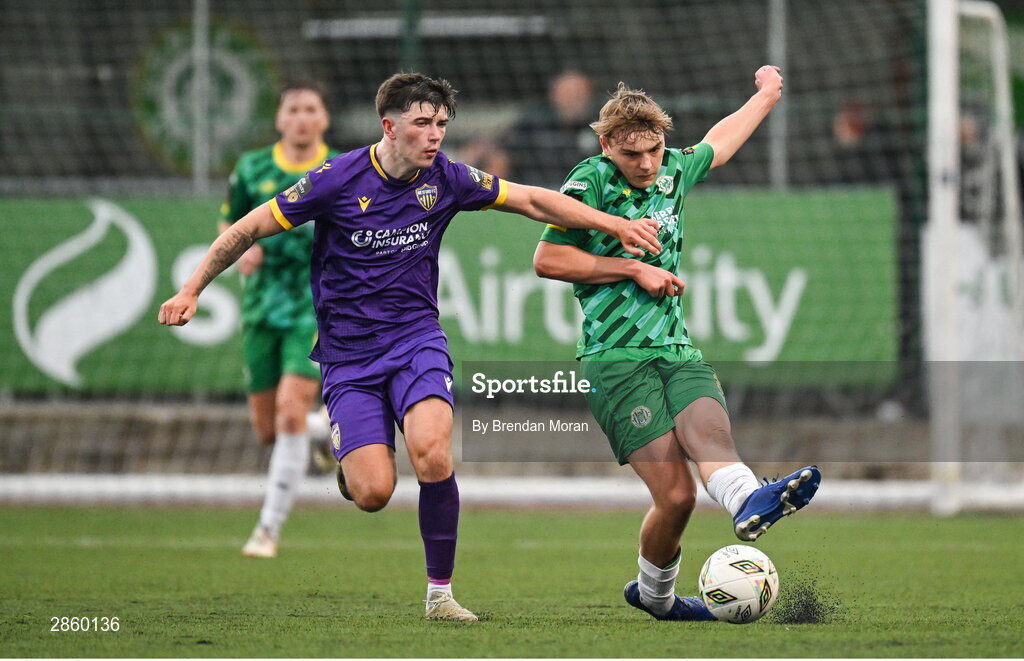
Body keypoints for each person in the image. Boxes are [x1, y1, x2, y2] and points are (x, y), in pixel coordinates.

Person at [159, 72, 662, 622]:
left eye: (441, 123)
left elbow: (533, 201)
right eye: (423, 123)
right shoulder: (336, 178)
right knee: (373, 492)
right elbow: (247, 228)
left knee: (433, 453)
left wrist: (613, 224)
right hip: (348, 356)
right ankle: (347, 459)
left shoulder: (447, 177)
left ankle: (439, 595)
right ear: (390, 126)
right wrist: (191, 289)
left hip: (416, 340)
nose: (435, 134)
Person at [533, 67, 821, 622]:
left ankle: (747, 500)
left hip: (676, 348)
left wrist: (766, 95)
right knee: (677, 498)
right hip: (615, 359)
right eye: (631, 154)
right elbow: (547, 259)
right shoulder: (591, 181)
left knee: (712, 435)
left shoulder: (672, 171)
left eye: (655, 150)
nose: (646, 164)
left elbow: (720, 142)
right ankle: (657, 597)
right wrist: (630, 268)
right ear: (606, 146)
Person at [220, 82, 340, 559]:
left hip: (315, 305)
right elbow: (230, 222)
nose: (302, 118)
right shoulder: (252, 168)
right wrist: (241, 249)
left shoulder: (342, 169)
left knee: (290, 413)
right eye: (293, 109)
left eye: (311, 109)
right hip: (262, 307)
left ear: (324, 119)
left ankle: (267, 530)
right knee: (269, 429)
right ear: (280, 119)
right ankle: (327, 429)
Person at [504, 69, 599, 187]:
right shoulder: (532, 125)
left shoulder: (602, 128)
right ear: (554, 95)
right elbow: (501, 155)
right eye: (568, 93)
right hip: (537, 189)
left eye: (579, 93)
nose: (574, 99)